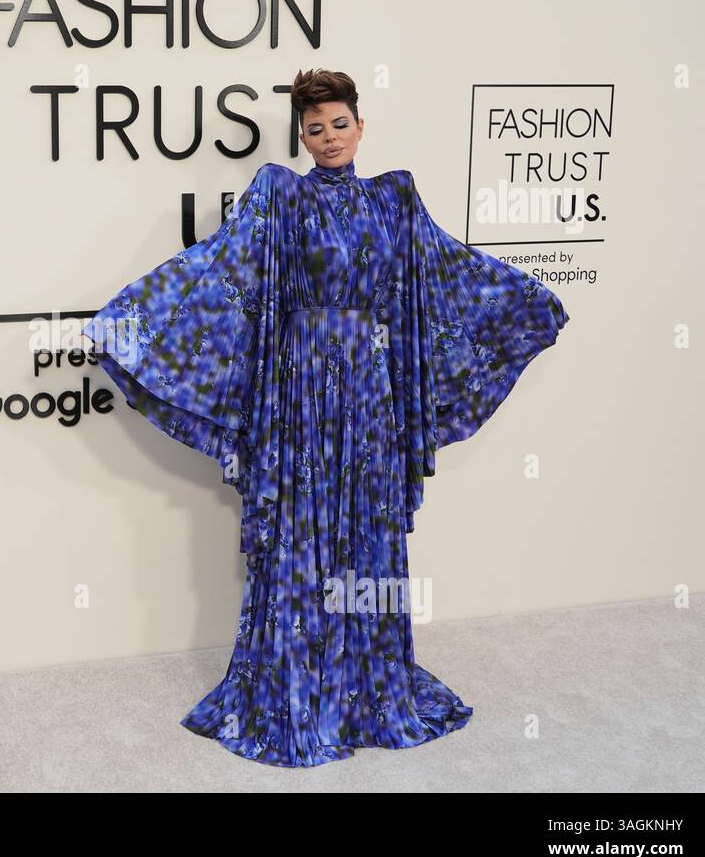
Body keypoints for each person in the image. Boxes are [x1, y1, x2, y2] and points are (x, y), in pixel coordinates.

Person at [82, 68, 570, 767]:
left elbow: (447, 271)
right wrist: (131, 325)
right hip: (301, 389)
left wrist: (525, 304)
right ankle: (295, 691)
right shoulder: (280, 197)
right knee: (301, 532)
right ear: (302, 137)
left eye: (340, 124)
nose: (329, 137)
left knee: (365, 530)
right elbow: (218, 269)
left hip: (370, 389)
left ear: (360, 127)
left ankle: (369, 692)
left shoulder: (394, 198)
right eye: (315, 128)